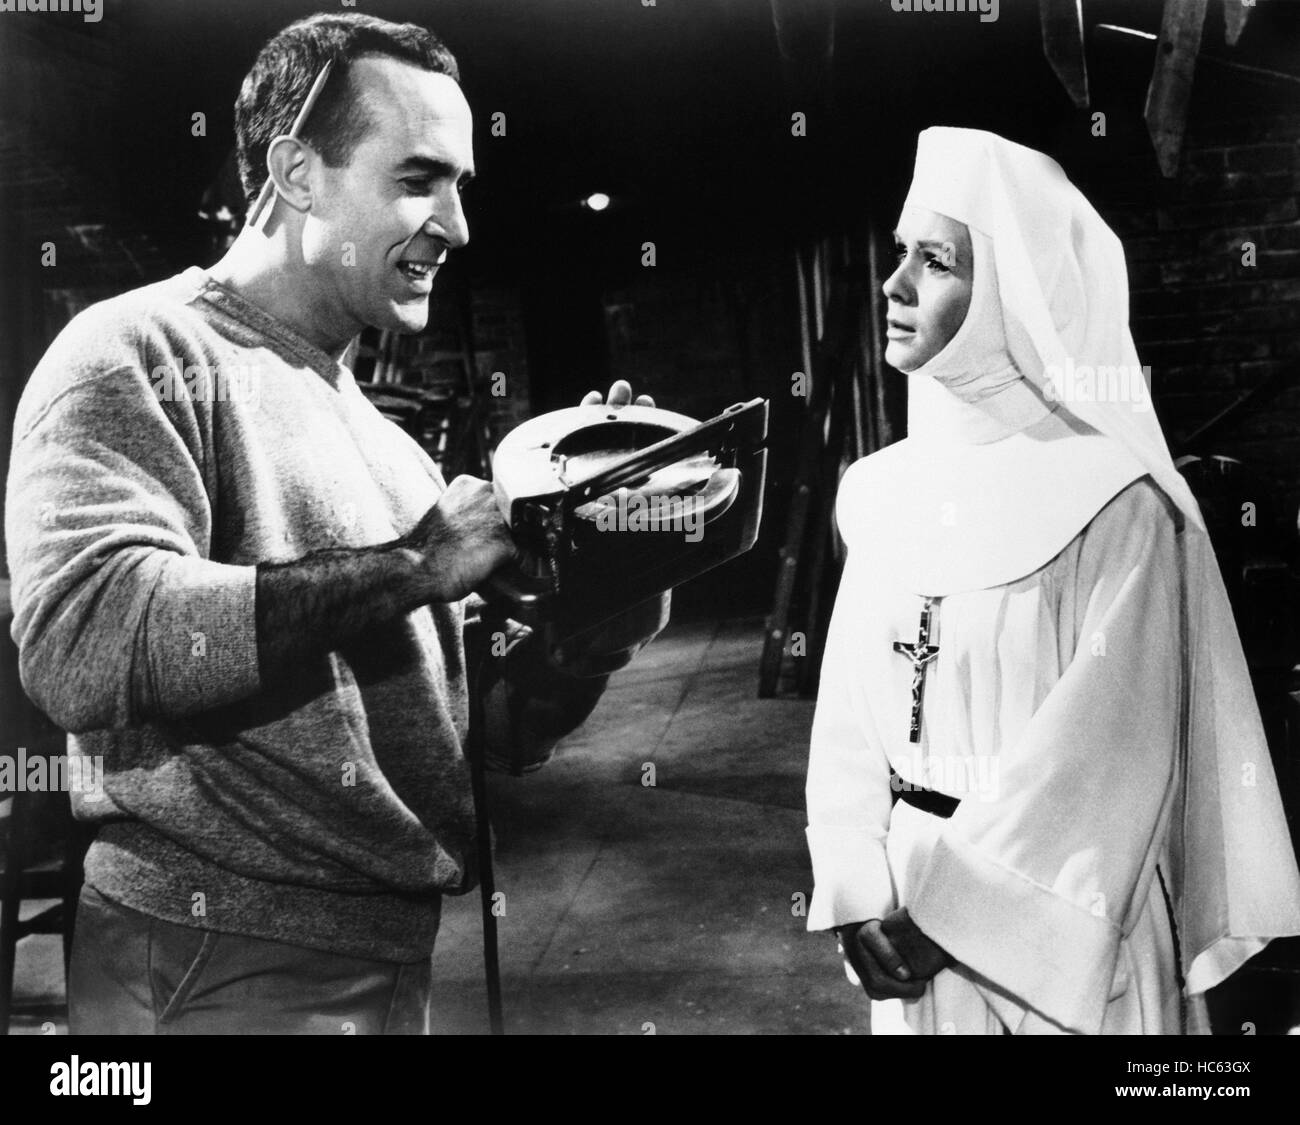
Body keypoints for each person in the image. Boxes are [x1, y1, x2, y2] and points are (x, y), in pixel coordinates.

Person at [5, 12, 649, 1034]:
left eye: (461, 187)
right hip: (213, 961)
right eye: (417, 179)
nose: (458, 224)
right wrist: (412, 564)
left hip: (384, 955)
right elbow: (82, 641)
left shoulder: (384, 441)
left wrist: (599, 632)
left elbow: (452, 740)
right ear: (298, 172)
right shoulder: (136, 353)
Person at [804, 126, 1300, 1035]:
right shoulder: (881, 492)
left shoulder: (1118, 504)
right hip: (905, 935)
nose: (895, 284)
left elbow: (1104, 758)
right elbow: (847, 717)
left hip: (1066, 952)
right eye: (899, 254)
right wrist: (854, 883)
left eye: (936, 261)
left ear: (1008, 294)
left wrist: (951, 915)